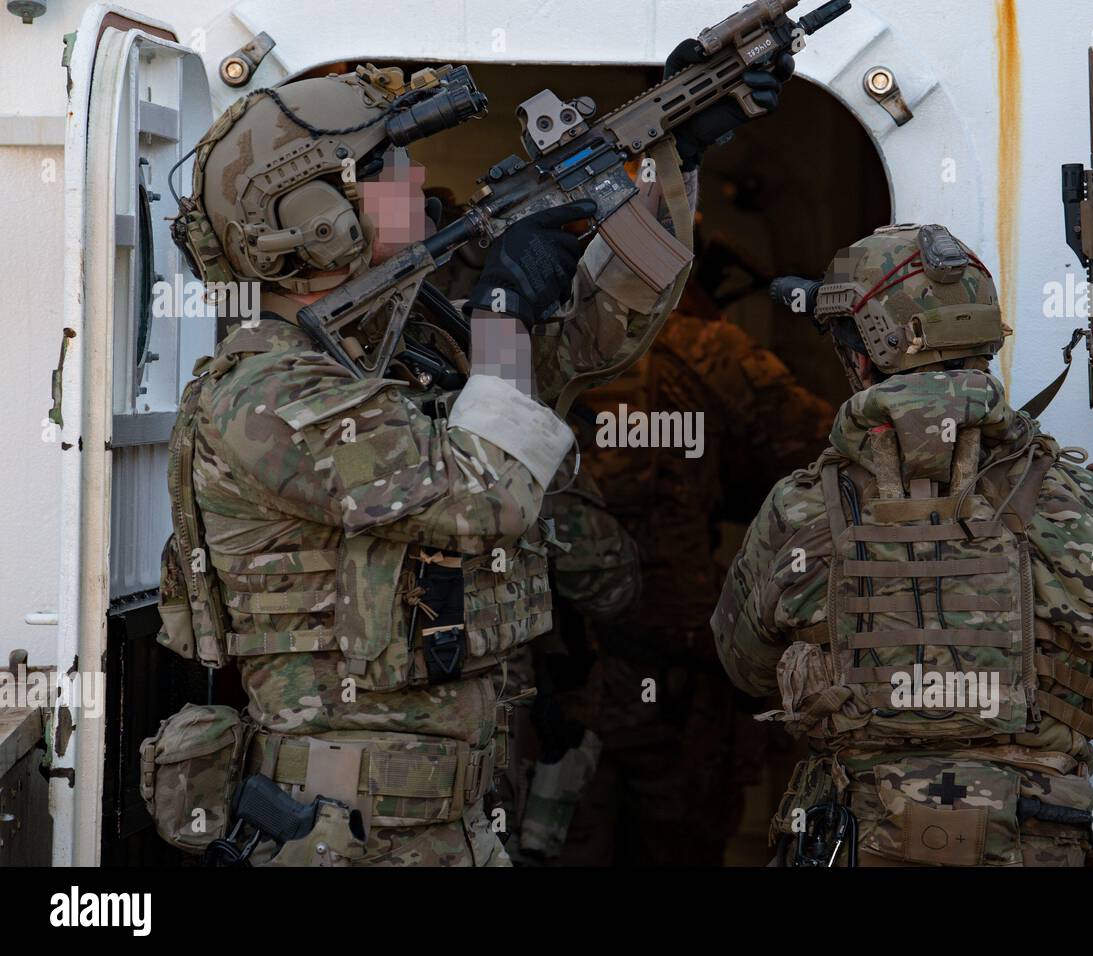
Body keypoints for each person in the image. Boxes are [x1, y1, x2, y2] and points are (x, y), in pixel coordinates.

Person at [149, 53, 788, 867]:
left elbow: (584, 341)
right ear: (315, 214)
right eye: (390, 166)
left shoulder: (398, 349)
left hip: (449, 815)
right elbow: (491, 492)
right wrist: (502, 310)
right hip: (347, 831)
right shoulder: (270, 396)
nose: (417, 179)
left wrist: (668, 158)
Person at [711, 223, 1093, 867]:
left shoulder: (797, 509)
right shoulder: (1091, 510)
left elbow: (743, 668)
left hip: (854, 840)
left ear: (863, 356)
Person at [561, 276, 834, 866]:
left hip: (562, 668)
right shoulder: (706, 349)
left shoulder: (533, 335)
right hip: (677, 666)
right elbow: (821, 457)